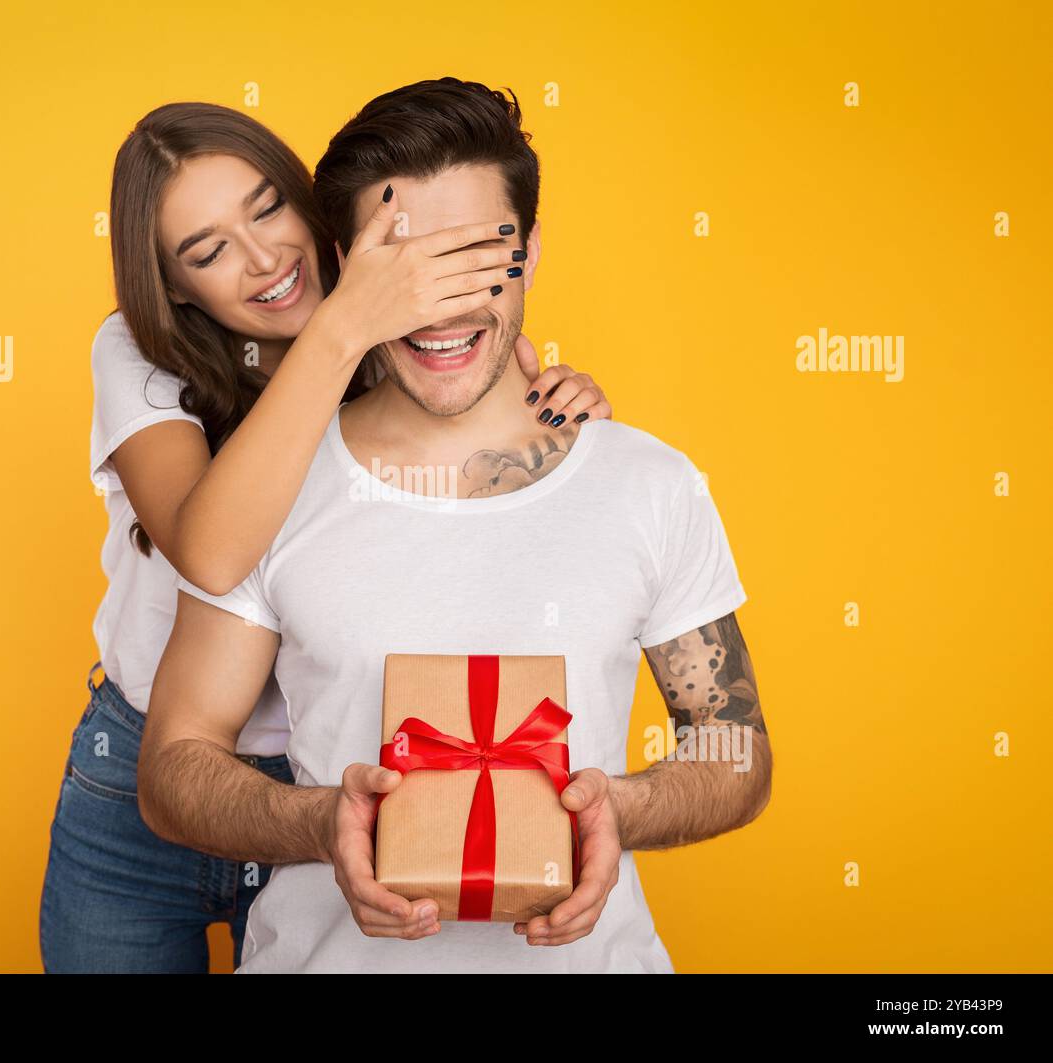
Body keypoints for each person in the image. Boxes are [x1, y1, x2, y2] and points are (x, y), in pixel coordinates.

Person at [139, 78, 773, 973]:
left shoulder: (651, 484)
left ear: (533, 249)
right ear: (346, 269)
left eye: (478, 254)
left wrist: (612, 811)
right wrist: (321, 820)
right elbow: (174, 764)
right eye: (403, 266)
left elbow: (733, 744)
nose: (439, 306)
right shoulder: (266, 490)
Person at [39, 99, 614, 972]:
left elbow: (503, 435)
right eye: (209, 250)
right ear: (176, 288)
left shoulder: (409, 337)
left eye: (267, 208)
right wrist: (345, 324)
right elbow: (210, 549)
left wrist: (564, 410)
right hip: (139, 778)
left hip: (329, 783)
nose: (265, 258)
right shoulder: (137, 351)